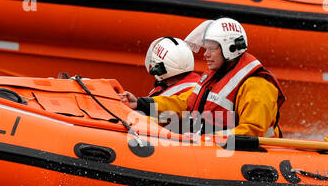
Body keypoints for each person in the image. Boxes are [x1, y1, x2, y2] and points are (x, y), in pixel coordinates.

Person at [121, 17, 286, 138]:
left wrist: (206, 138)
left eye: (211, 49)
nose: (205, 54)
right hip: (210, 146)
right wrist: (141, 103)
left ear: (230, 48)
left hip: (244, 157)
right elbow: (186, 103)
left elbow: (252, 131)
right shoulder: (215, 75)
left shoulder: (257, 85)